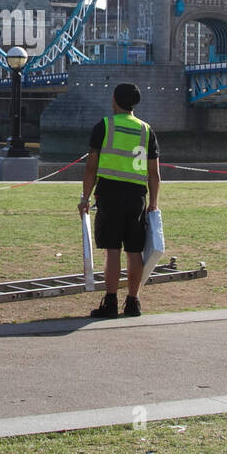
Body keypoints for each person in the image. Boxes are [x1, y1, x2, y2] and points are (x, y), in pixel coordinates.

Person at [78, 83, 160, 318]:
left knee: (112, 250)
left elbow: (91, 167)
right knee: (135, 251)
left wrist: (85, 197)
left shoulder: (104, 126)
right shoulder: (146, 130)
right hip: (137, 195)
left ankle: (111, 302)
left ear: (114, 99)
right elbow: (154, 174)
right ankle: (133, 302)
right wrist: (153, 203)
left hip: (109, 194)